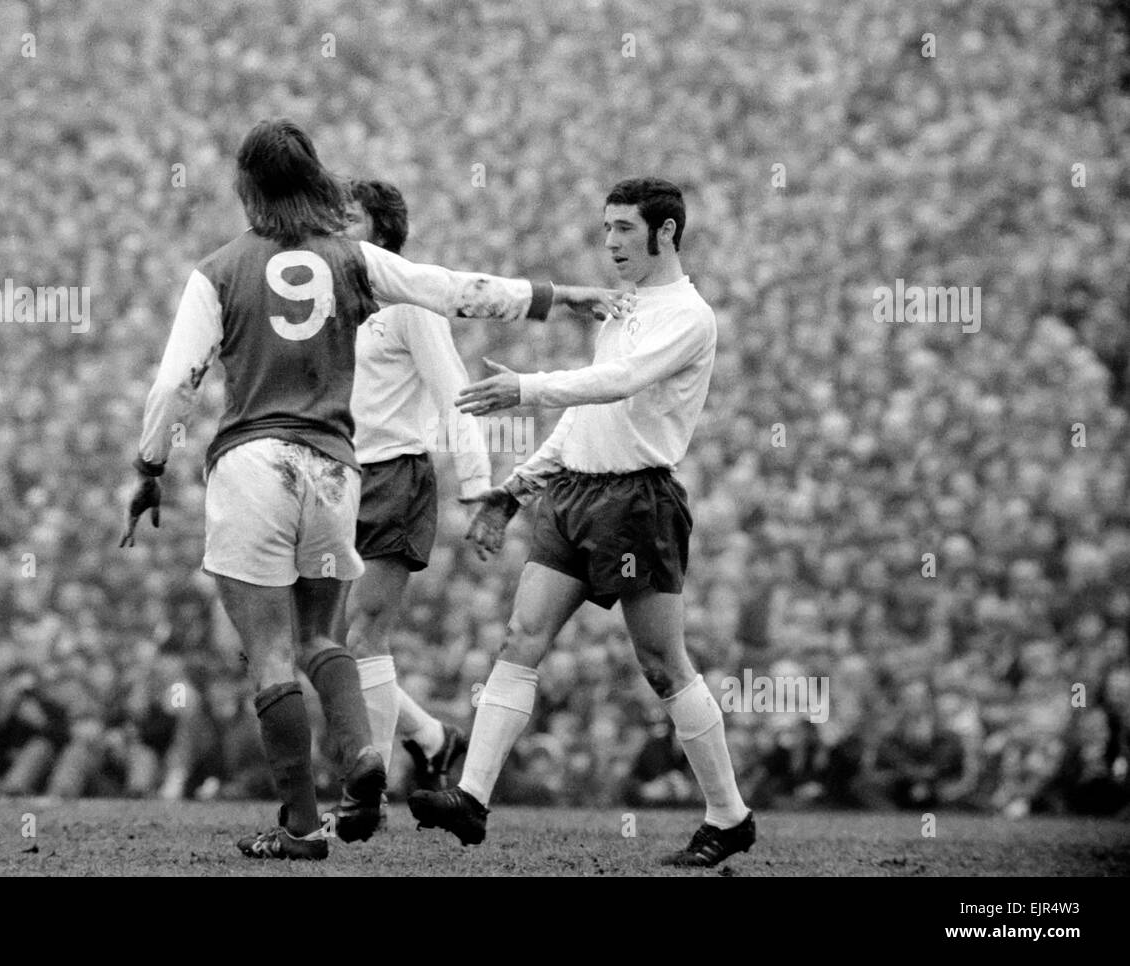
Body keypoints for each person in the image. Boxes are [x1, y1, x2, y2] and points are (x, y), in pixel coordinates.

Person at [120, 118, 626, 861]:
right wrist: (555, 296)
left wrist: (150, 466)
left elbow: (173, 384)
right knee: (324, 636)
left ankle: (297, 826)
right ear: (317, 179)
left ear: (247, 187)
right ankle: (362, 753)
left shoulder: (219, 270)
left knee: (268, 652)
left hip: (254, 463)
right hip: (335, 468)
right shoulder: (355, 259)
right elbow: (454, 291)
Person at [408, 177, 756, 868]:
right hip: (573, 495)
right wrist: (513, 491)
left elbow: (620, 382)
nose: (610, 243)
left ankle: (729, 815)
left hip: (638, 502)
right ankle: (472, 798)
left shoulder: (689, 316)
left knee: (661, 663)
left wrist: (524, 387)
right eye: (606, 229)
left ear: (666, 234)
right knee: (520, 635)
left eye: (625, 229)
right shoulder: (619, 309)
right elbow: (584, 413)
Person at [339, 179, 481, 800]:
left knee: (362, 633)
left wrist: (479, 486)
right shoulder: (327, 302)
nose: (334, 228)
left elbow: (457, 393)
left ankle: (364, 792)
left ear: (381, 232)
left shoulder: (411, 303)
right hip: (335, 476)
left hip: (396, 475)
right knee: (315, 644)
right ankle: (429, 738)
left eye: (348, 219)